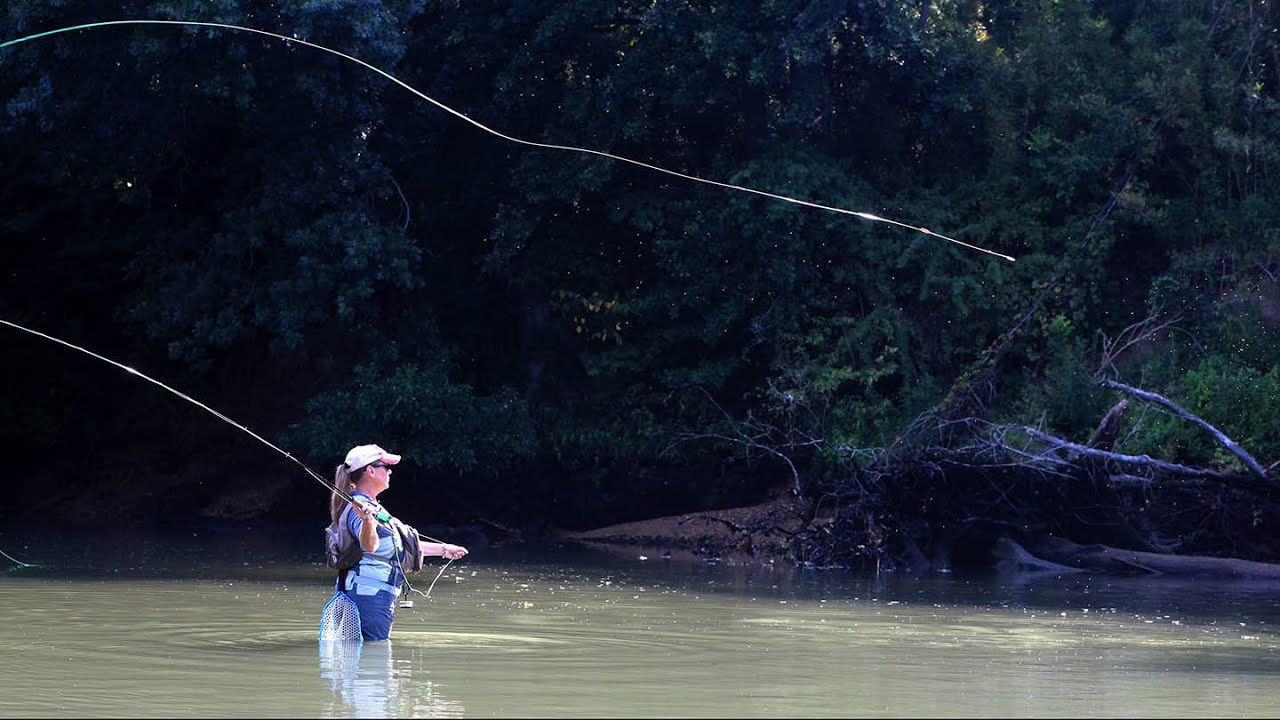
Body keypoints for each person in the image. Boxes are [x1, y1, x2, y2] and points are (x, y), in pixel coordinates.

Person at [328, 443, 468, 641]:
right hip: (367, 600)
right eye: (386, 467)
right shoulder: (358, 509)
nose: (390, 472)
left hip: (373, 597)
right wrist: (367, 521)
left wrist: (444, 549)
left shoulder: (373, 507)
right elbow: (369, 545)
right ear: (370, 471)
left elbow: (396, 546)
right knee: (373, 664)